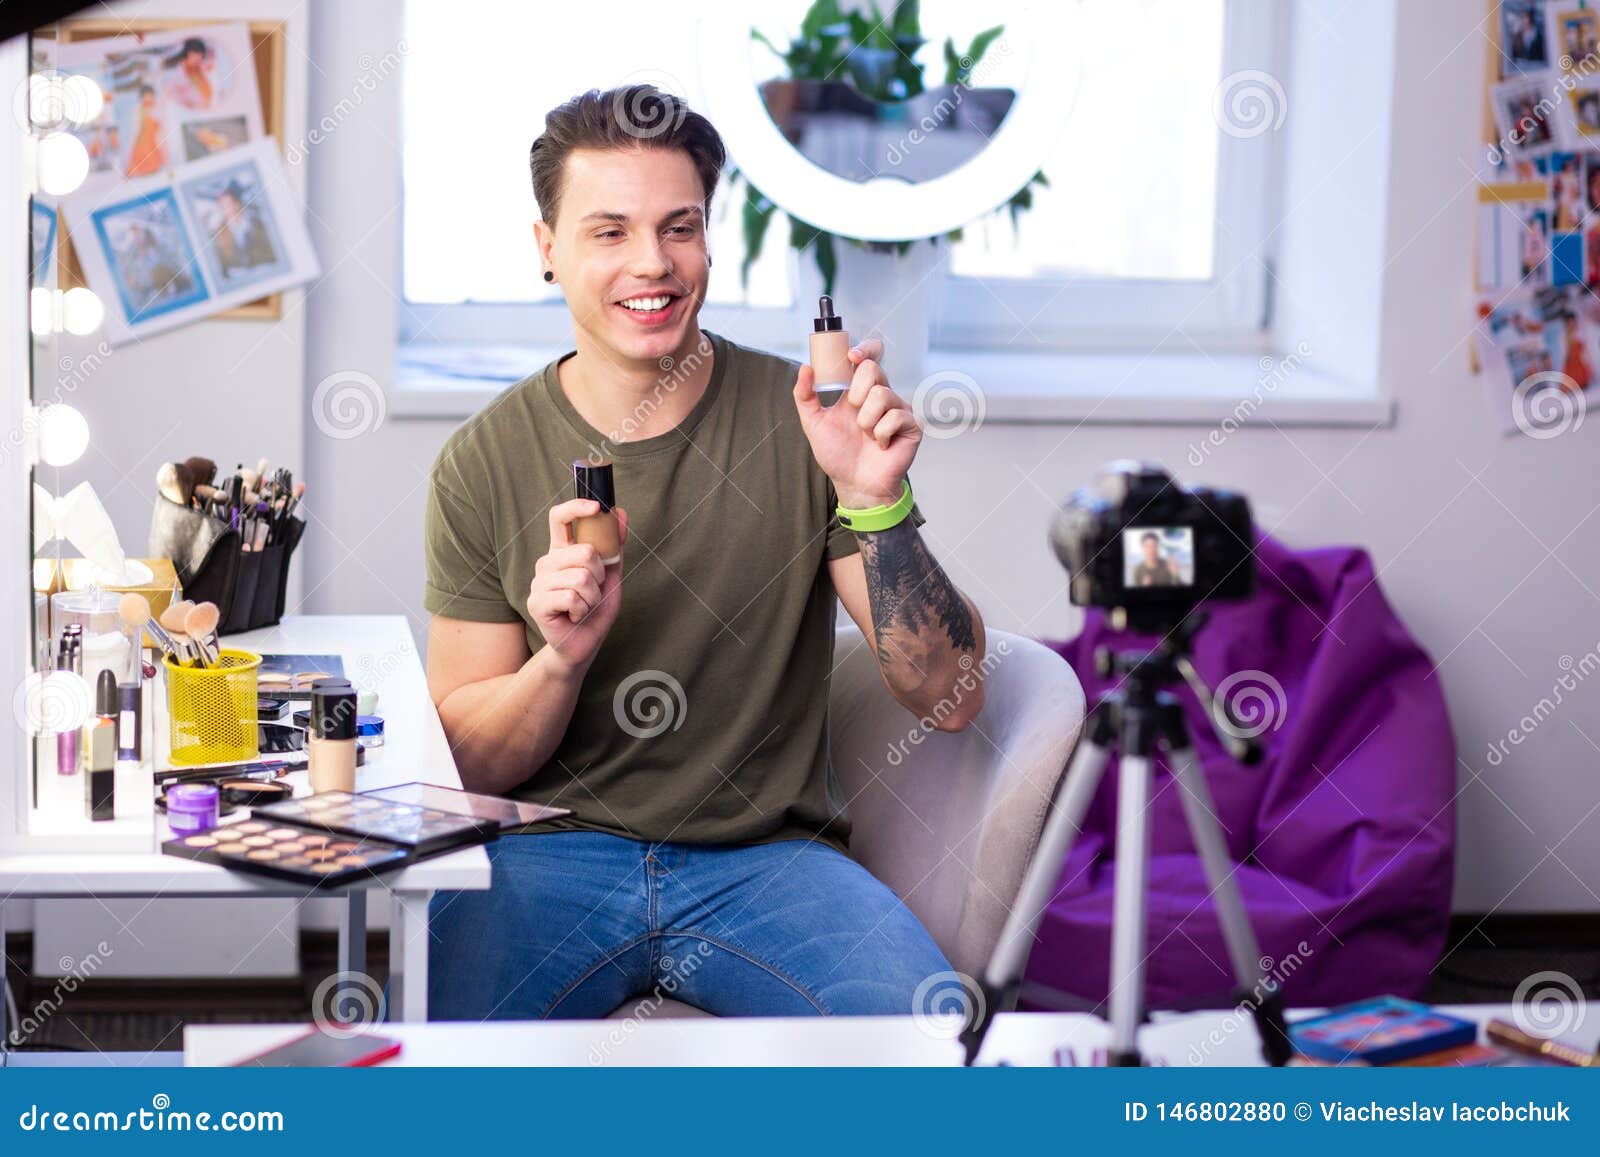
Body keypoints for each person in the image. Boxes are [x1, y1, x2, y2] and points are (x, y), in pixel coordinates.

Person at [422, 85, 987, 1020]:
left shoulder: (809, 422)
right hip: (547, 853)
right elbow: (473, 768)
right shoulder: (481, 460)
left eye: (678, 227)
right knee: (442, 1079)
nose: (654, 262)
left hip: (769, 861)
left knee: (932, 1045)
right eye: (610, 232)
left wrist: (875, 503)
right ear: (546, 250)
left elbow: (954, 695)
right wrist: (560, 661)